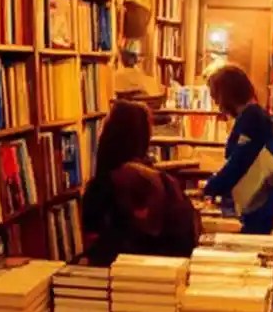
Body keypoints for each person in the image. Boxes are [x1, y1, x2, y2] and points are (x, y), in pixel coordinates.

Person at [81, 100, 199, 265]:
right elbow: (187, 240)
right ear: (144, 140)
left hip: (115, 281)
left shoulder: (99, 188)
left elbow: (96, 249)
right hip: (167, 276)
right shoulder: (165, 183)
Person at [201, 64, 273, 234]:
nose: (217, 103)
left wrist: (210, 186)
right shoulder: (253, 115)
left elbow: (240, 161)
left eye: (216, 96)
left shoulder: (252, 117)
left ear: (228, 94)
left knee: (251, 239)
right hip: (260, 192)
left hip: (256, 195)